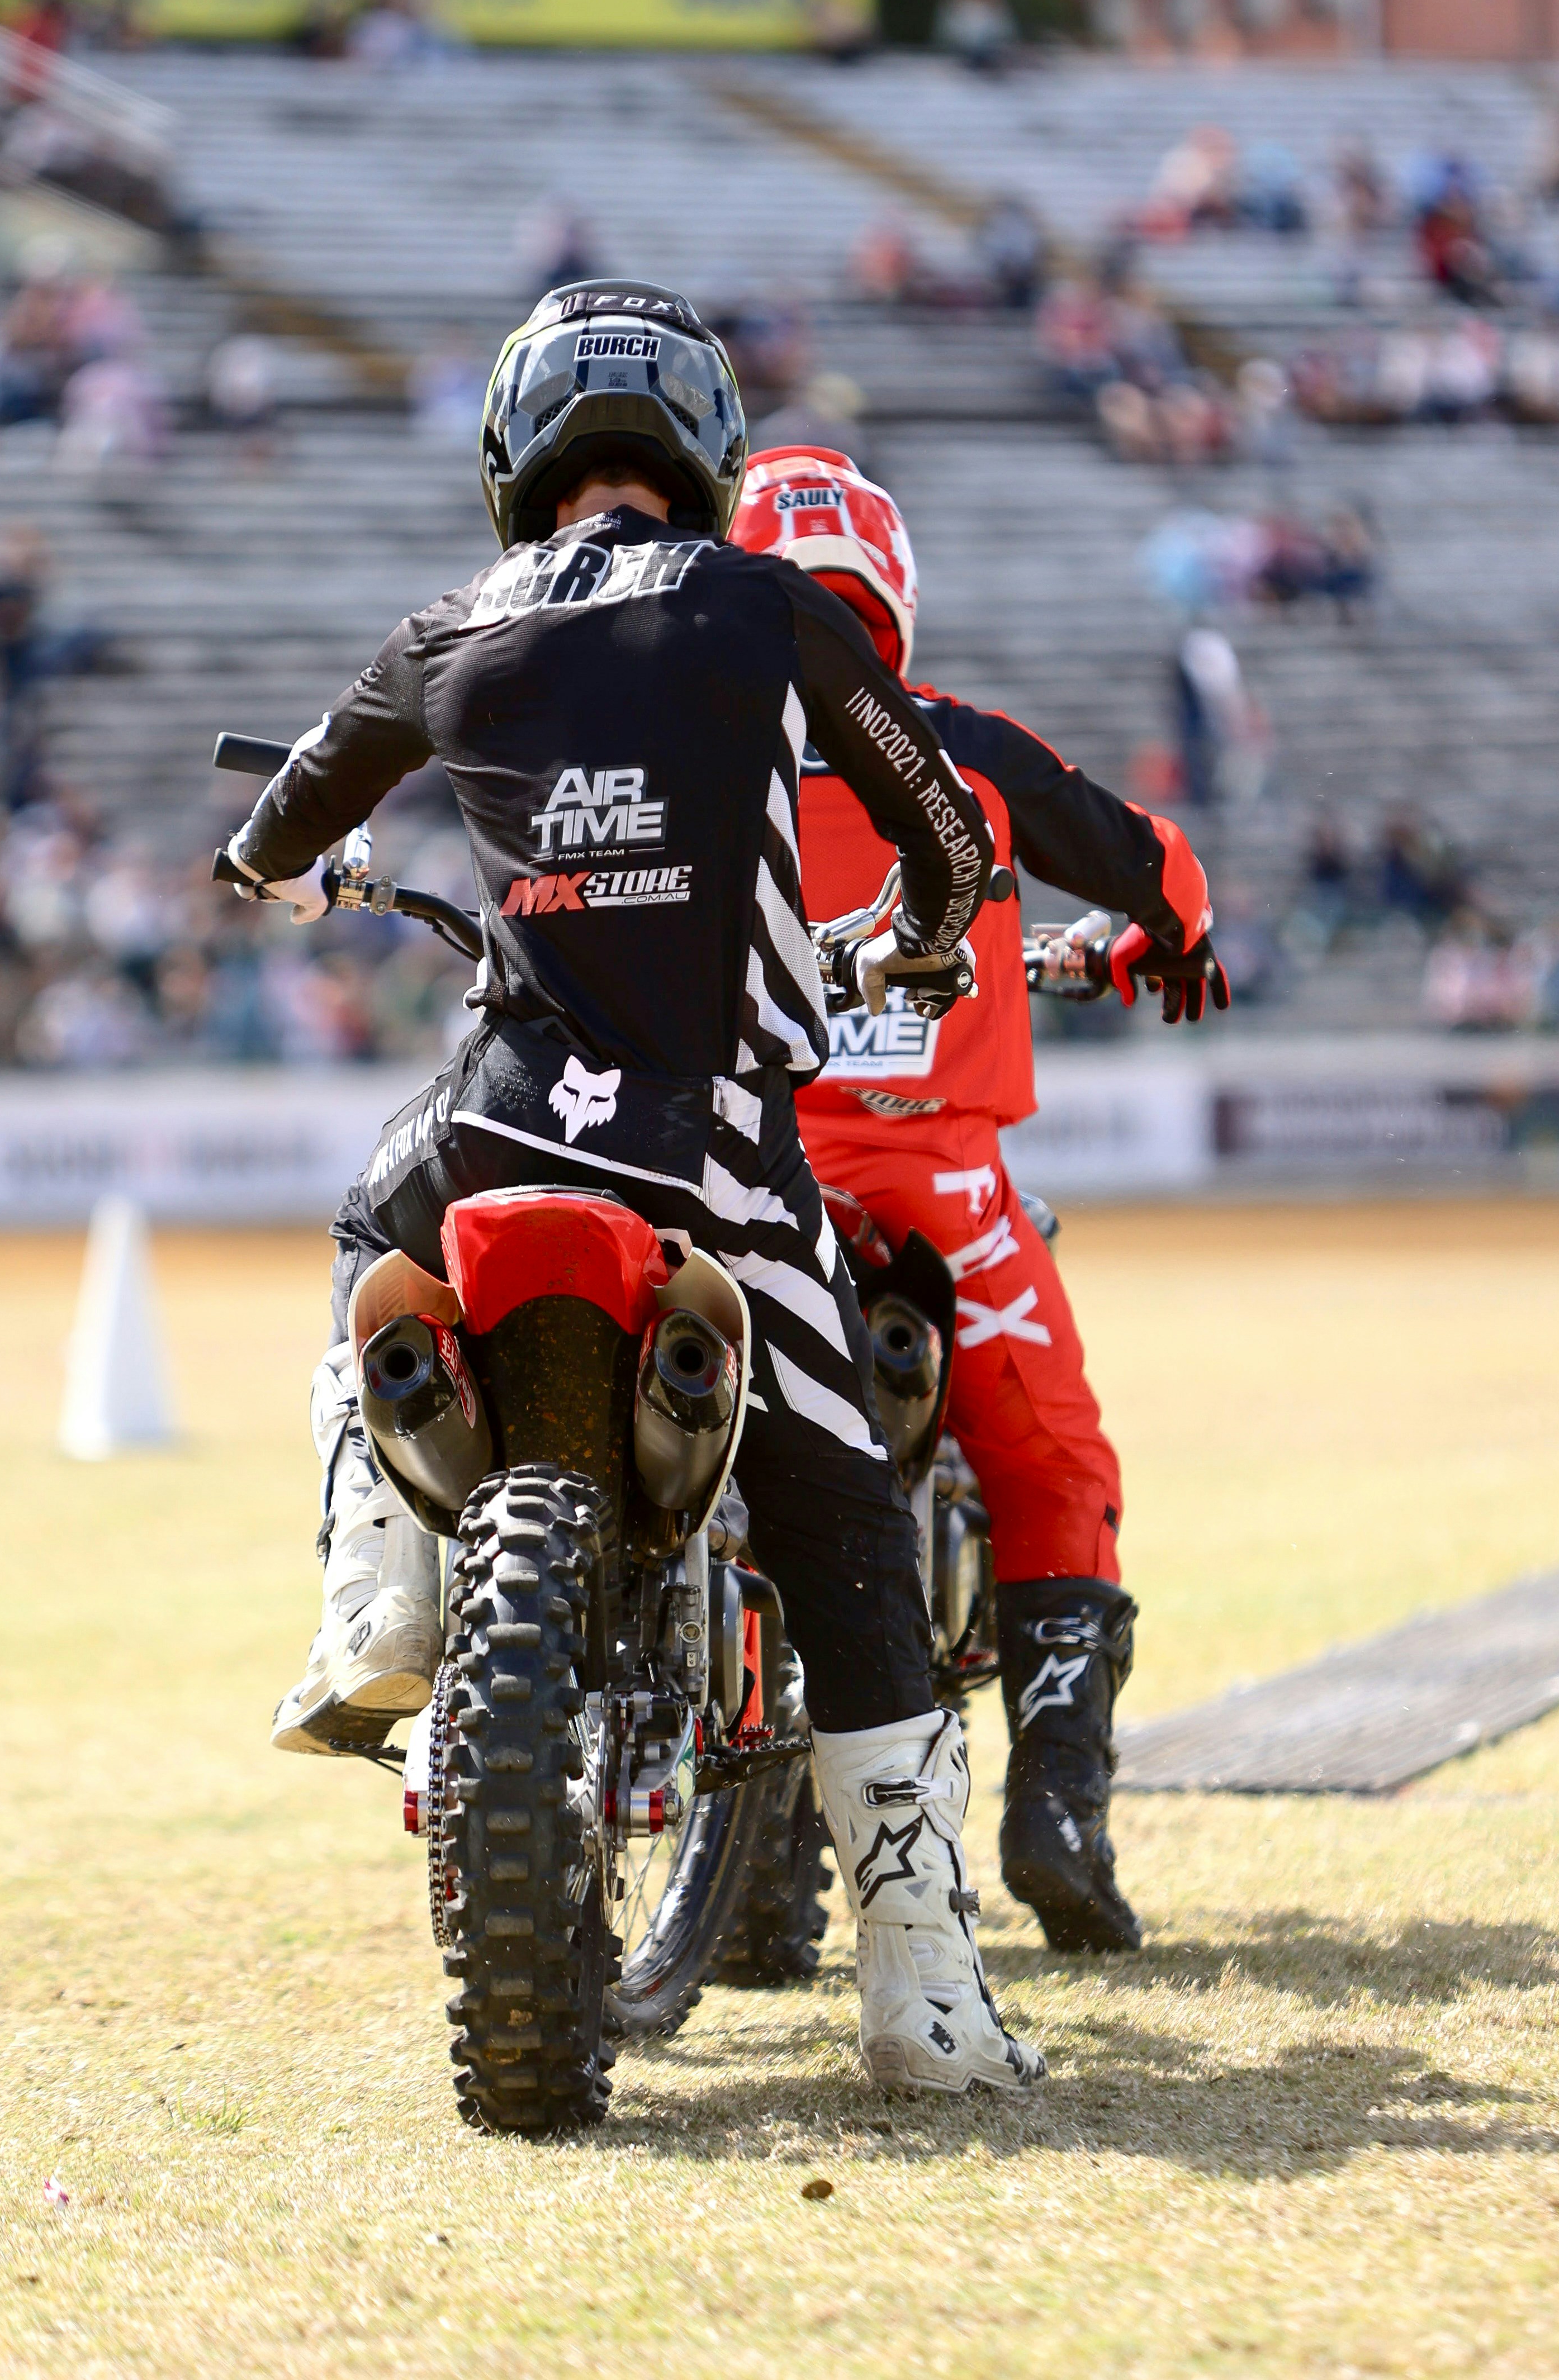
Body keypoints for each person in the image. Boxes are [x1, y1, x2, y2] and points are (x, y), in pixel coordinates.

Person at [227, 282, 1041, 2097]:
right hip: (715, 1140)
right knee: (844, 1516)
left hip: (501, 1125)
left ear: (517, 454)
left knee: (372, 1237)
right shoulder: (766, 606)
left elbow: (276, 829)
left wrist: (281, 868)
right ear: (707, 450)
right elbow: (947, 823)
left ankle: (379, 1576)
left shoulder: (443, 629)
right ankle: (917, 1985)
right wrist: (918, 930)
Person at [729, 445, 1228, 1954]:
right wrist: (1156, 944)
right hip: (934, 1175)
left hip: (731, 1165)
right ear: (891, 603)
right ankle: (1057, 1811)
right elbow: (1165, 875)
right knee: (1051, 1458)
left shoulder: (693, 758)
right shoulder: (964, 752)